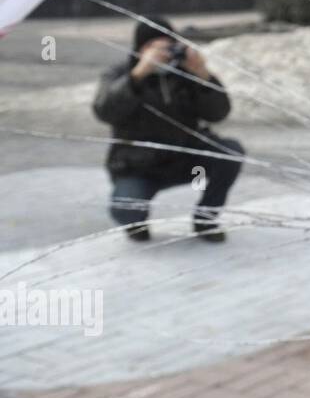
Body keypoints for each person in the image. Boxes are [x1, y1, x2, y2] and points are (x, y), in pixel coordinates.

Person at [92, 16, 243, 242]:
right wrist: (138, 75)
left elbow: (218, 114)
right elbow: (104, 111)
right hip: (139, 168)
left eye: (168, 46)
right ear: (140, 49)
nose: (164, 54)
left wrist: (203, 75)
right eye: (155, 47)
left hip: (188, 163)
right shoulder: (120, 74)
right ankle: (136, 222)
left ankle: (205, 219)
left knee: (230, 152)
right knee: (126, 210)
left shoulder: (185, 73)